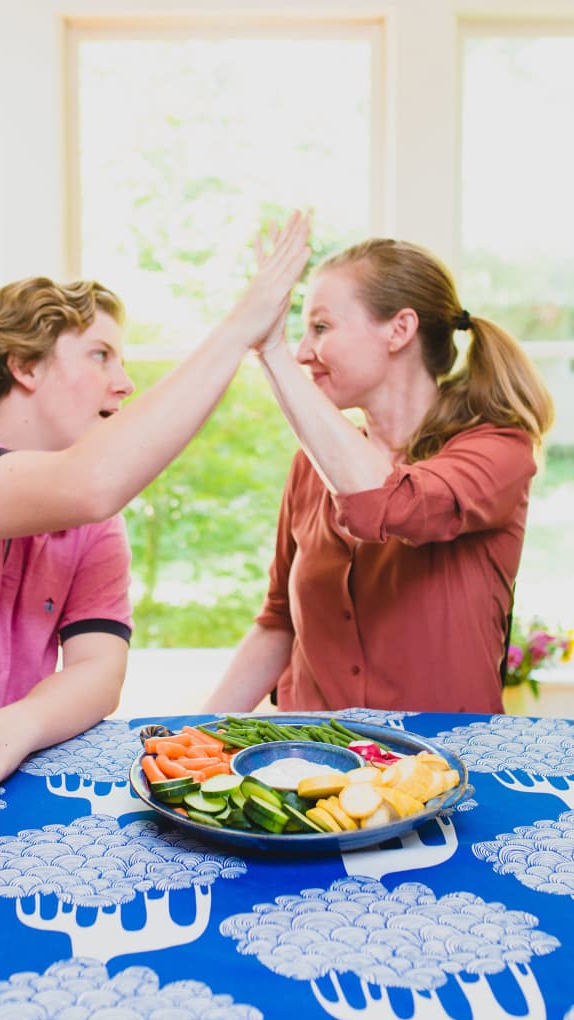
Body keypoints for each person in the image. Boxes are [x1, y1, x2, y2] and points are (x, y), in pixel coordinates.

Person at [0, 212, 311, 801]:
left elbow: (97, 670)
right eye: (100, 356)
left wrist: (10, 728)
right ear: (24, 365)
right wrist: (239, 329)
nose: (123, 383)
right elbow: (93, 481)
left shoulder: (90, 523)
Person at [205, 236, 554, 716]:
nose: (305, 351)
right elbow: (279, 624)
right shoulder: (310, 465)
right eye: (301, 333)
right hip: (312, 764)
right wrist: (193, 733)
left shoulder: (497, 451)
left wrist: (272, 352)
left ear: (399, 330)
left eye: (321, 327)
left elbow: (387, 504)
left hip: (441, 770)